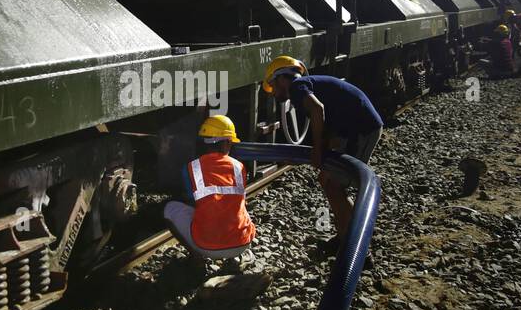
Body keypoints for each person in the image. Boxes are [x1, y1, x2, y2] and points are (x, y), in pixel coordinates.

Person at [263, 56, 382, 251]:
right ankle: (345, 235)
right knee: (327, 181)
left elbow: (318, 110)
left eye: (272, 86)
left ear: (281, 78)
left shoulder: (297, 87)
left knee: (334, 186)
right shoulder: (306, 85)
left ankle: (357, 245)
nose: (273, 92)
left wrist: (318, 151)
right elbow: (330, 119)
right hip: (354, 129)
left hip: (361, 130)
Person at [163, 115, 256, 269]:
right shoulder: (239, 166)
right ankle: (237, 256)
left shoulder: (191, 168)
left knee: (169, 209)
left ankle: (196, 257)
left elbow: (192, 200)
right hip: (242, 243)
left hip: (207, 247)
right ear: (226, 142)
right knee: (240, 207)